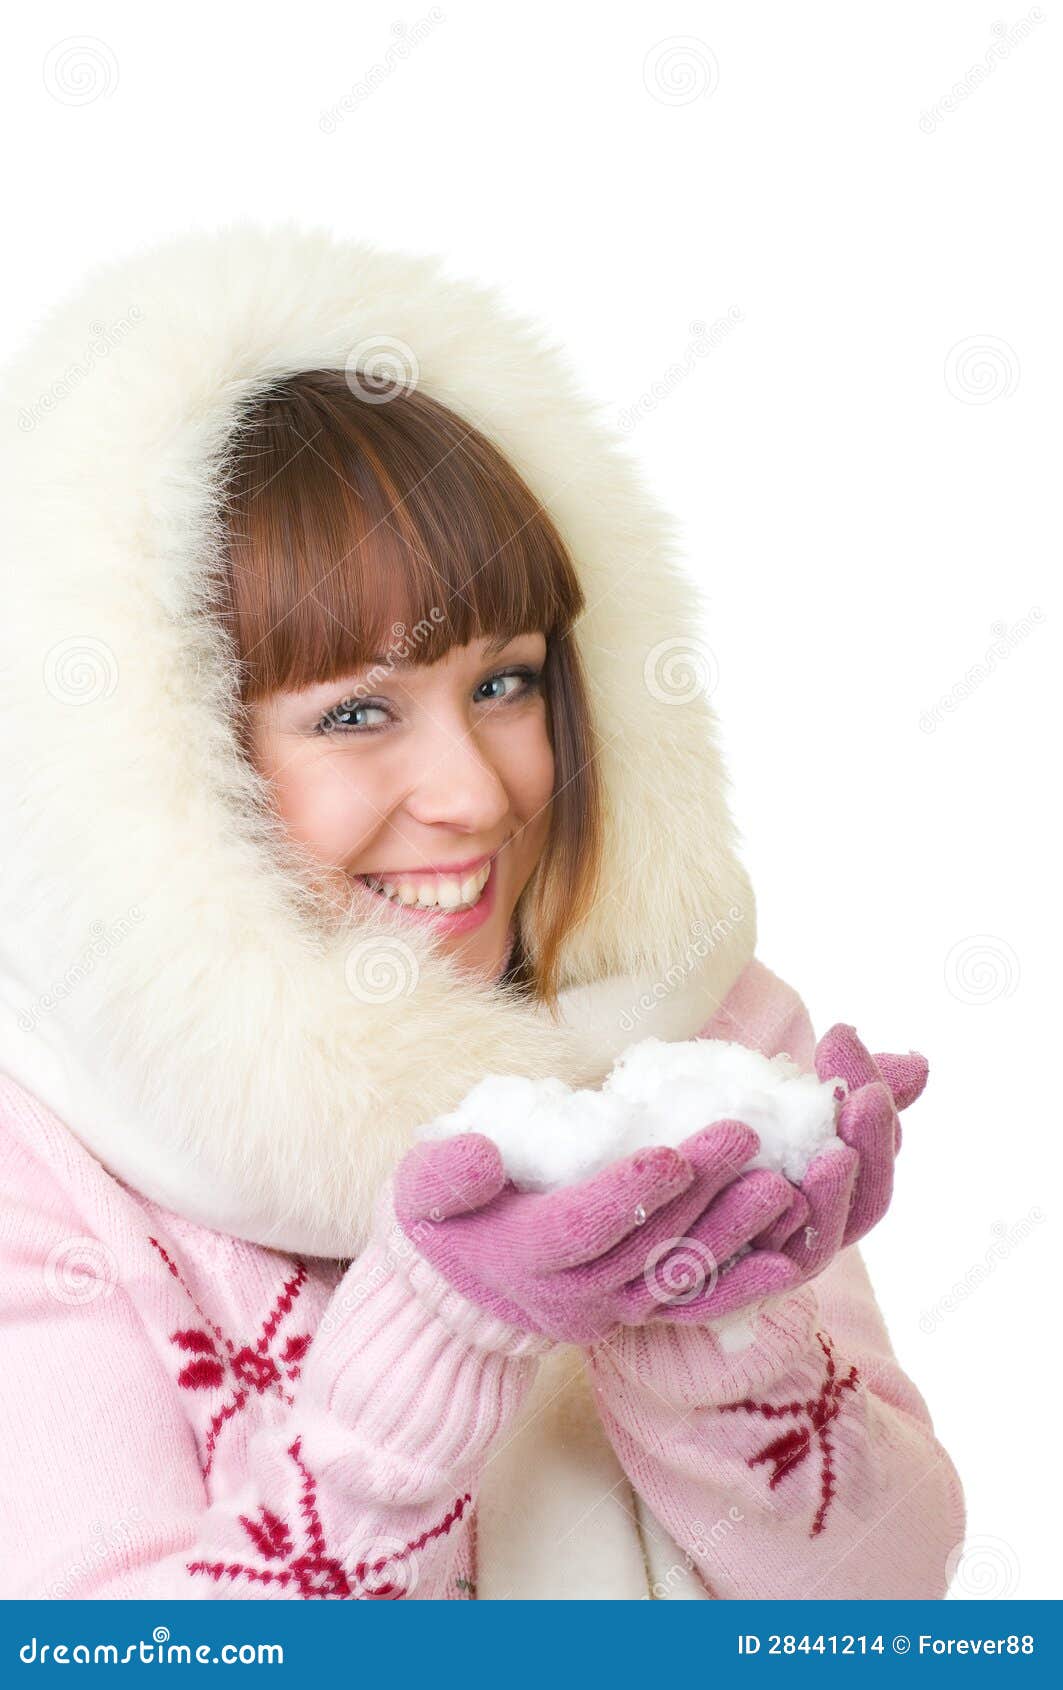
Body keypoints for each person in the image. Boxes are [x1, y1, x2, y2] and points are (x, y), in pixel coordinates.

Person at [0, 225, 964, 1600]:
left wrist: (708, 1325)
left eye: (506, 681)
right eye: (355, 710)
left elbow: (886, 1598)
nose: (477, 790)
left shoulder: (698, 1036)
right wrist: (436, 1342)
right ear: (160, 765)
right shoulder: (44, 1146)